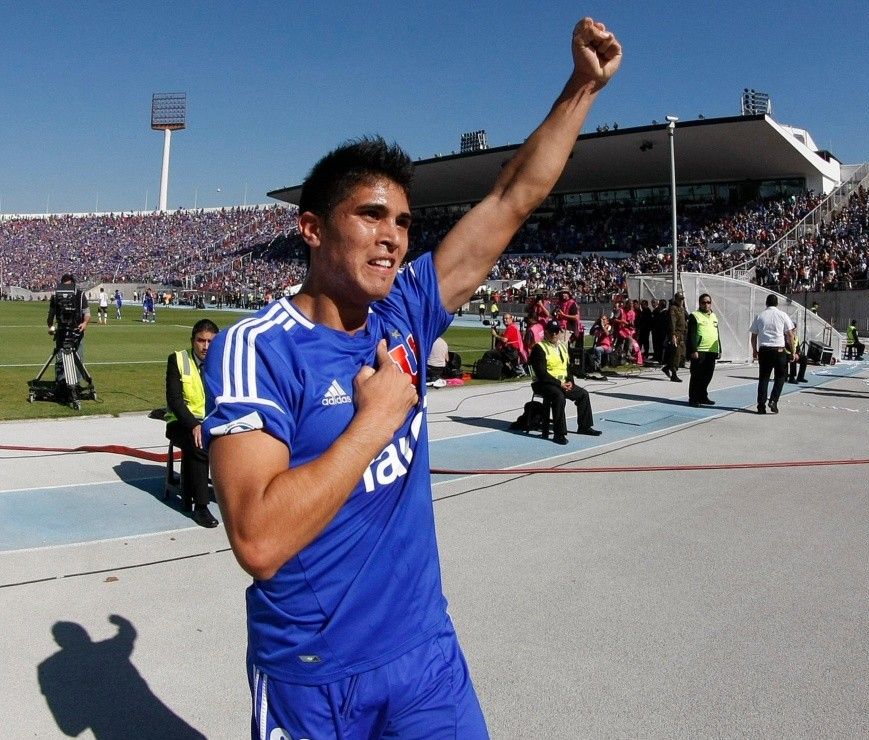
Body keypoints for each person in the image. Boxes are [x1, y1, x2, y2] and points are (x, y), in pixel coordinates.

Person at [201, 18, 620, 739]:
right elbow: (259, 540)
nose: (394, 234)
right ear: (310, 229)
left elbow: (511, 199)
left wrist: (582, 86)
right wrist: (374, 421)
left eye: (401, 219)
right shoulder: (256, 349)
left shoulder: (405, 310)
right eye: (370, 215)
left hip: (425, 659)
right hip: (313, 676)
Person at [165, 319, 219, 527]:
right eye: (201, 341)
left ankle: (233, 495)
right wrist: (194, 425)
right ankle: (201, 507)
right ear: (193, 341)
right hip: (181, 422)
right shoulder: (177, 360)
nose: (205, 346)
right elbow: (174, 400)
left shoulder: (221, 363)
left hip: (211, 422)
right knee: (199, 445)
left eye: (210, 342)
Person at [530, 320, 604, 445]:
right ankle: (559, 434)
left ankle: (584, 427)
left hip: (562, 383)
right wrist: (560, 384)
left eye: (557, 331)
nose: (554, 334)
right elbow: (542, 374)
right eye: (551, 332)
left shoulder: (562, 347)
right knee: (559, 397)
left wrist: (570, 381)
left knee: (583, 394)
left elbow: (567, 368)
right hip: (544, 383)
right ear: (546, 333)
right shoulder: (539, 348)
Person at [749, 294, 796, 414]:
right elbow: (790, 334)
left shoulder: (760, 316)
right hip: (779, 349)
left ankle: (761, 405)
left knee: (763, 378)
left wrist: (755, 350)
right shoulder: (782, 315)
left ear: (766, 303)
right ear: (777, 304)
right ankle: (774, 400)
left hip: (764, 350)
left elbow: (753, 336)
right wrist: (792, 351)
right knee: (780, 376)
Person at [686, 293, 721, 407]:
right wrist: (693, 350)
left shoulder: (714, 316)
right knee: (697, 376)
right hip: (700, 350)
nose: (706, 304)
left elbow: (717, 333)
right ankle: (693, 398)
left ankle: (703, 396)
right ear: (700, 303)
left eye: (708, 302)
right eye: (704, 302)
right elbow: (691, 334)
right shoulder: (695, 315)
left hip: (711, 350)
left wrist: (719, 348)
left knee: (708, 375)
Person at [662, 291, 686, 382]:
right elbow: (672, 323)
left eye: (682, 299)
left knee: (682, 355)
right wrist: (673, 335)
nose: (681, 301)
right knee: (676, 354)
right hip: (676, 335)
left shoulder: (682, 309)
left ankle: (667, 367)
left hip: (682, 334)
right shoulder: (673, 308)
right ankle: (674, 374)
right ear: (676, 299)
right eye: (680, 299)